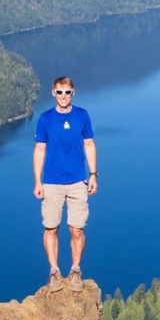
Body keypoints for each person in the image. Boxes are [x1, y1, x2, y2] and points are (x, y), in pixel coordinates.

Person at [33, 76, 98, 292]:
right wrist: (37, 182)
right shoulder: (45, 119)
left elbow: (89, 144)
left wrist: (93, 174)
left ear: (73, 93)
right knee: (51, 228)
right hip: (51, 182)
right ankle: (54, 272)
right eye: (59, 92)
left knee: (76, 229)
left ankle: (76, 270)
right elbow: (39, 150)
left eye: (67, 92)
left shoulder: (82, 116)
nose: (63, 97)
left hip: (78, 181)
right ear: (53, 93)